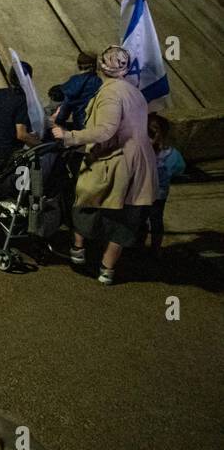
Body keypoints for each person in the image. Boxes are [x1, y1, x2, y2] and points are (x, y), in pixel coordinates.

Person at [50, 45, 157, 285]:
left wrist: (69, 136)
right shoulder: (134, 92)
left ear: (101, 67)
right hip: (140, 161)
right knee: (126, 217)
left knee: (84, 200)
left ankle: (78, 250)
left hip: (116, 159)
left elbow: (105, 131)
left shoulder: (110, 93)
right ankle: (107, 271)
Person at [0, 61, 41, 170]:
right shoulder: (23, 100)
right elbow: (21, 134)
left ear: (9, 77)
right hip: (6, 149)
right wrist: (40, 144)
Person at [140, 114, 185, 258]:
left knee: (156, 219)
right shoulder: (142, 149)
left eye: (153, 131)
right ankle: (139, 244)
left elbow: (178, 169)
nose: (150, 135)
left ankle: (155, 247)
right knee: (140, 218)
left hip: (158, 194)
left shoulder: (170, 154)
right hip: (141, 191)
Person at [52, 51, 101, 129]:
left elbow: (66, 105)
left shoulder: (73, 81)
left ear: (78, 65)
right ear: (95, 65)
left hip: (79, 123)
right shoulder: (99, 82)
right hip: (97, 122)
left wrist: (59, 121)